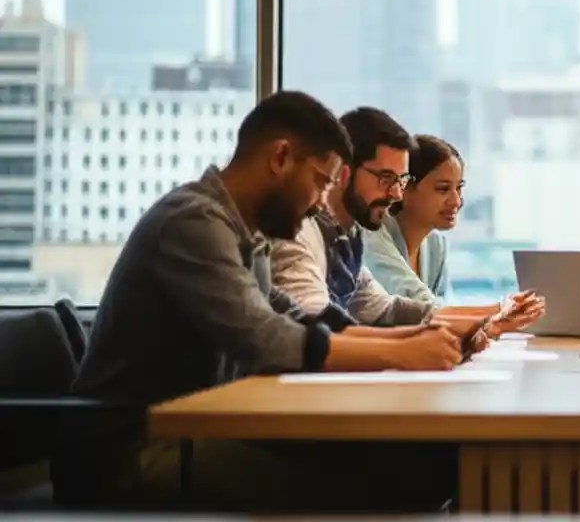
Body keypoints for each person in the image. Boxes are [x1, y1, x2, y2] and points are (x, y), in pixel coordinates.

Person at [58, 91, 463, 507]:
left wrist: (412, 340)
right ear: (281, 158)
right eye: (322, 182)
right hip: (134, 452)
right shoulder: (194, 221)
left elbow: (292, 317)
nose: (322, 202)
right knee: (398, 478)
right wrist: (402, 354)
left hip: (199, 431)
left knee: (417, 461)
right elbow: (265, 339)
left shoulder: (244, 232)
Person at [271, 108, 531, 340]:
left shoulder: (346, 237)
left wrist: (490, 317)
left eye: (401, 181)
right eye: (385, 179)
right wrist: (412, 349)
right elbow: (317, 327)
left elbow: (387, 309)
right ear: (342, 171)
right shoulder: (297, 231)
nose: (396, 194)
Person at [364, 134, 544, 331]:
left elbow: (442, 310)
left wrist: (499, 316)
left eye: (458, 189)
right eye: (443, 189)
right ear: (404, 189)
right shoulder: (372, 236)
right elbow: (422, 307)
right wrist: (498, 310)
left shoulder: (435, 245)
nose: (457, 202)